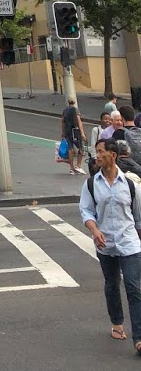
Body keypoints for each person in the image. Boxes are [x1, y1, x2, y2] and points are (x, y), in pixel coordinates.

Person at [80, 136, 141, 352]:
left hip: (129, 242)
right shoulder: (91, 184)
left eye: (100, 151)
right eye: (96, 152)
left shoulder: (131, 185)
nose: (96, 155)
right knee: (112, 284)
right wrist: (94, 229)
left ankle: (139, 338)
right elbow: (86, 210)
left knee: (134, 288)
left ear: (112, 155)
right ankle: (117, 323)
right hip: (105, 243)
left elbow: (138, 218)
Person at [64, 98, 88, 175]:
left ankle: (71, 168)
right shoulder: (75, 110)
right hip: (75, 131)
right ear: (74, 102)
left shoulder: (65, 110)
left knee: (70, 149)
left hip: (68, 131)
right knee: (81, 148)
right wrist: (82, 133)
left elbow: (62, 121)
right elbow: (79, 121)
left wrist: (63, 131)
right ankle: (78, 165)